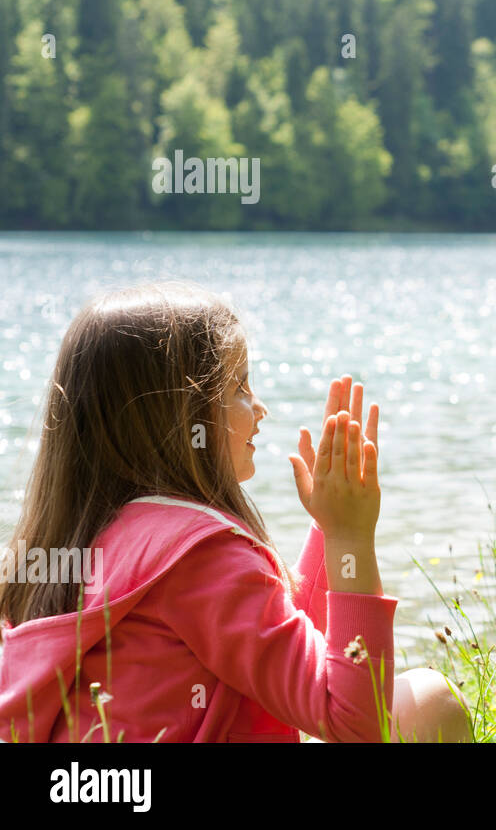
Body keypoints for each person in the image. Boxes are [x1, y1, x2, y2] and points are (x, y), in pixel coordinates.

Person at [0, 282, 471, 742]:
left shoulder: (88, 539)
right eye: (240, 388)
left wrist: (328, 528)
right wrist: (351, 537)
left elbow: (276, 650)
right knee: (430, 701)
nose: (260, 408)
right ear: (181, 418)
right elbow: (352, 722)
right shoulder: (197, 554)